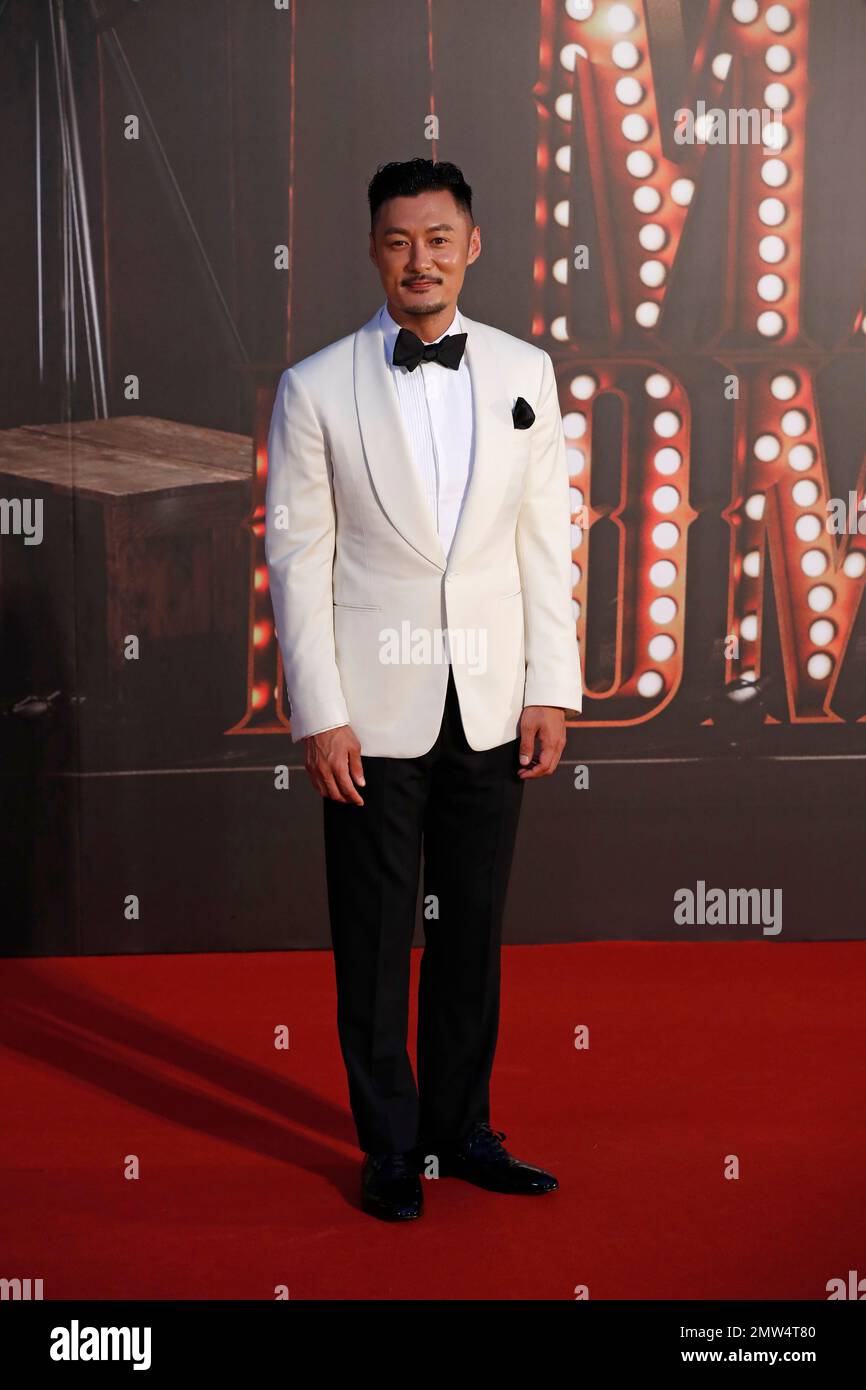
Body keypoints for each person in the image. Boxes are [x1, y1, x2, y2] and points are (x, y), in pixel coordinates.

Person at [265, 158, 582, 1221]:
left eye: (438, 238)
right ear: (372, 250)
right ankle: (390, 1145)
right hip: (372, 705)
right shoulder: (313, 387)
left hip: (493, 699)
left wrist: (552, 685)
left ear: (471, 245)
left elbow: (548, 543)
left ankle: (461, 1126)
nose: (419, 260)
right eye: (399, 240)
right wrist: (318, 709)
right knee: (373, 932)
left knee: (471, 927)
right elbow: (297, 558)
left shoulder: (525, 370)